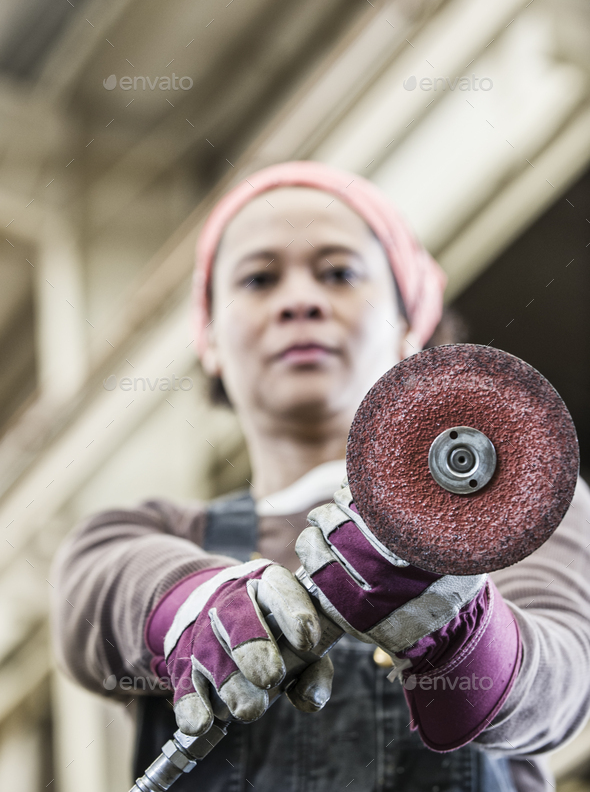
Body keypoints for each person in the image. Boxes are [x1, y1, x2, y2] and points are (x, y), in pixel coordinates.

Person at [52, 162, 590, 792]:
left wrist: (456, 626)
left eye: (339, 273)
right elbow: (96, 590)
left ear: (407, 324)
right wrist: (197, 606)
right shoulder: (159, 530)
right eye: (258, 279)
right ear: (212, 342)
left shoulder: (507, 503)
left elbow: (560, 688)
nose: (299, 300)